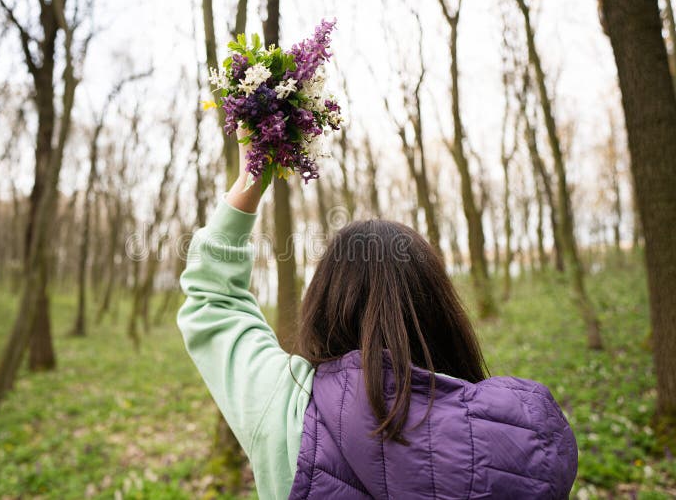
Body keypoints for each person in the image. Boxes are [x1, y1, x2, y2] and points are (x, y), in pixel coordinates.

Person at [177, 131, 578, 500]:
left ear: (325, 305)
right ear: (439, 309)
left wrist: (252, 175)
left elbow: (214, 299)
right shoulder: (522, 436)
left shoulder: (287, 408)